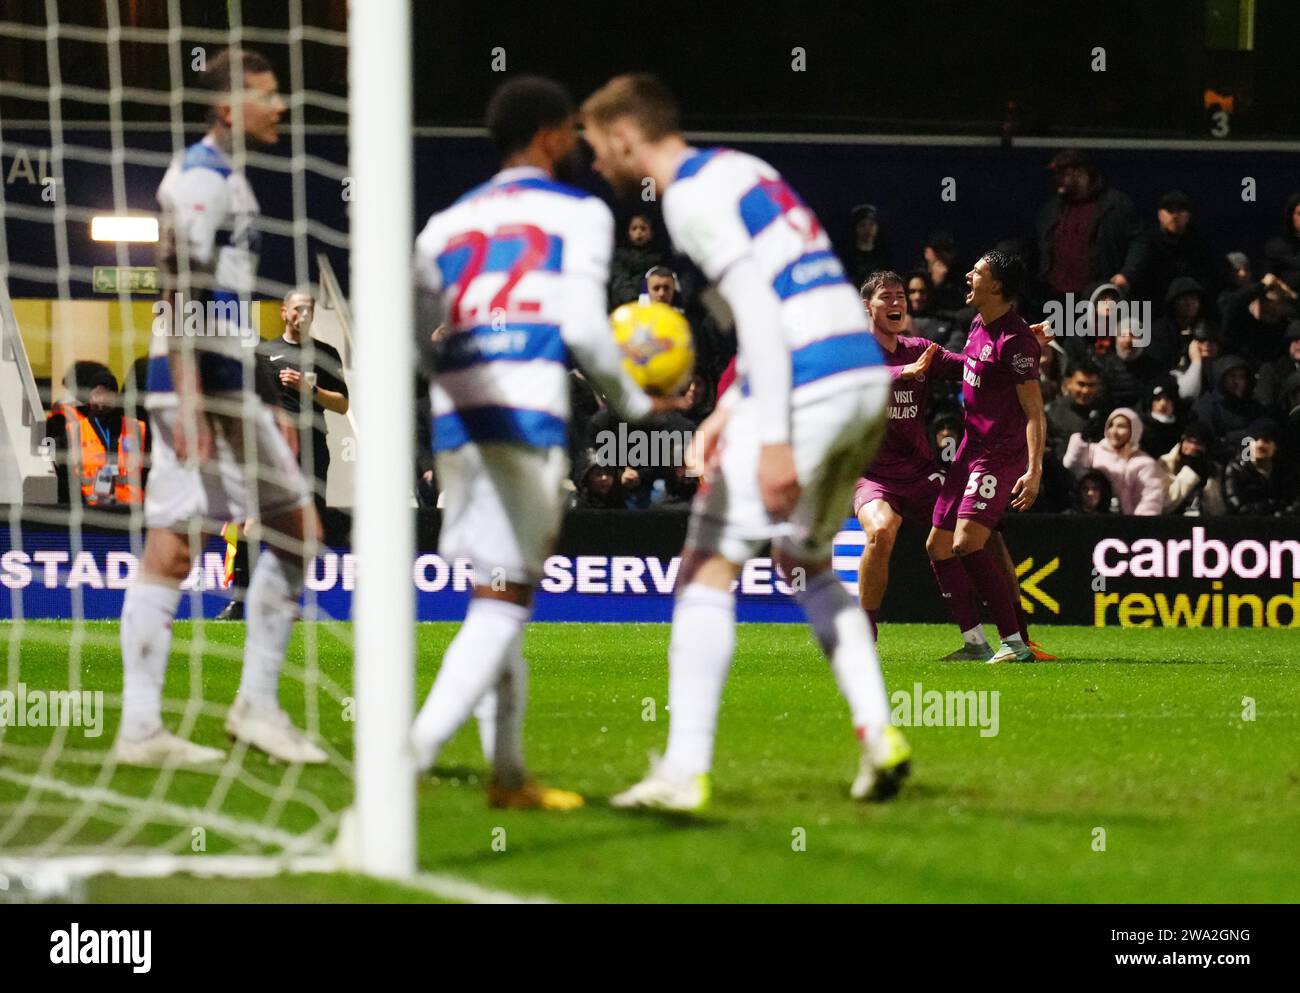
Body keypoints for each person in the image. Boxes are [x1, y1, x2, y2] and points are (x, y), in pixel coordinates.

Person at [582, 73, 908, 810]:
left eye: (598, 144)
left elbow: (762, 305)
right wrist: (732, 407)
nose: (597, 162)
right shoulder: (747, 170)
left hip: (809, 382)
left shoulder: (687, 196)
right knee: (808, 562)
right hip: (862, 374)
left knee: (703, 568)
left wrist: (773, 443)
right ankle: (881, 733)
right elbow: (792, 286)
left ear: (627, 134)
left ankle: (684, 770)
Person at [409, 76, 675, 810]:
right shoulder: (580, 212)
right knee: (505, 601)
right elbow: (587, 329)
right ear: (552, 135)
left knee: (496, 592)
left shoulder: (447, 222)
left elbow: (412, 323)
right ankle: (409, 755)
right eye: (571, 133)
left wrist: (448, 376)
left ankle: (508, 775)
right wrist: (635, 404)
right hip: (525, 411)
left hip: (458, 415)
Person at [113, 48, 326, 767]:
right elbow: (179, 294)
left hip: (220, 380)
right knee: (269, 534)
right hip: (199, 384)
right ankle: (216, 713)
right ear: (231, 106)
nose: (280, 108)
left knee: (215, 541)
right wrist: (193, 404)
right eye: (268, 96)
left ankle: (198, 717)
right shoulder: (202, 181)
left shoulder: (223, 177)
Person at [851, 272, 1051, 659]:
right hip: (873, 476)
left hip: (921, 472)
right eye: (886, 297)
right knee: (881, 531)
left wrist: (1019, 348)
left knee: (985, 535)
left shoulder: (920, 349)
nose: (896, 303)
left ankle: (1009, 639)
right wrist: (899, 374)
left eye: (901, 296)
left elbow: (975, 367)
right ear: (866, 307)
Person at [925, 251, 1045, 664]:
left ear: (996, 286)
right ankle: (976, 642)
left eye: (976, 271)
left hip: (998, 454)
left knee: (966, 542)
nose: (967, 274)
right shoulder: (981, 324)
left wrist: (1033, 471)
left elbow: (1034, 411)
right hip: (968, 449)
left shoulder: (1016, 341)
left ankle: (1015, 644)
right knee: (937, 545)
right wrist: (935, 361)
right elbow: (977, 366)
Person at [217, 289, 350, 621]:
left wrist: (311, 389)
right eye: (298, 309)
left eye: (309, 310)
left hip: (314, 450)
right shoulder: (264, 352)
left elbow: (343, 403)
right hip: (273, 450)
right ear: (283, 312)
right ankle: (239, 600)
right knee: (249, 524)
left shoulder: (325, 353)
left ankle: (287, 602)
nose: (303, 315)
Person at [1035, 149, 1137, 301]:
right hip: (1056, 296)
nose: (1058, 179)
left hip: (1096, 296)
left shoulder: (1114, 204)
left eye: (1064, 174)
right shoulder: (1052, 208)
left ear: (1081, 172)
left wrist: (1126, 273)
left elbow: (1139, 240)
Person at [47, 368, 147, 507]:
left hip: (130, 508)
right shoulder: (74, 430)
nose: (102, 398)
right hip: (89, 506)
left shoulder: (136, 428)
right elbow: (57, 465)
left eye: (107, 393)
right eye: (98, 393)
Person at [1063, 407, 1168, 515]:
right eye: (1111, 425)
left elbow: (1150, 499)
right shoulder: (1094, 450)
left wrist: (1139, 526)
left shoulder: (1144, 463)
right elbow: (1072, 466)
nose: (1114, 431)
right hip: (1091, 515)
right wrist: (1082, 440)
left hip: (1125, 521)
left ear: (1134, 430)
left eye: (1121, 426)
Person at [1223, 420, 1300, 515]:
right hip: (1248, 526)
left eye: (1266, 440)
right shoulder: (1236, 468)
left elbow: (1296, 502)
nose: (1260, 445)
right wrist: (1272, 506)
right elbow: (1236, 506)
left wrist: (1282, 515)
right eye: (1255, 439)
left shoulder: (1288, 469)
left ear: (1276, 446)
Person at [1160, 421, 1225, 517]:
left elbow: (1218, 512)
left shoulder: (1215, 469)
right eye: (1189, 441)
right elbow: (1163, 507)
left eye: (1198, 443)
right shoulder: (1165, 463)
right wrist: (1190, 474)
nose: (1193, 447)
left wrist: (1208, 485)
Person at [1046, 358, 1107, 460]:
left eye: (1091, 385)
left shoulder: (1105, 412)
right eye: (1081, 384)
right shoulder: (1051, 413)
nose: (1086, 391)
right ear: (1068, 383)